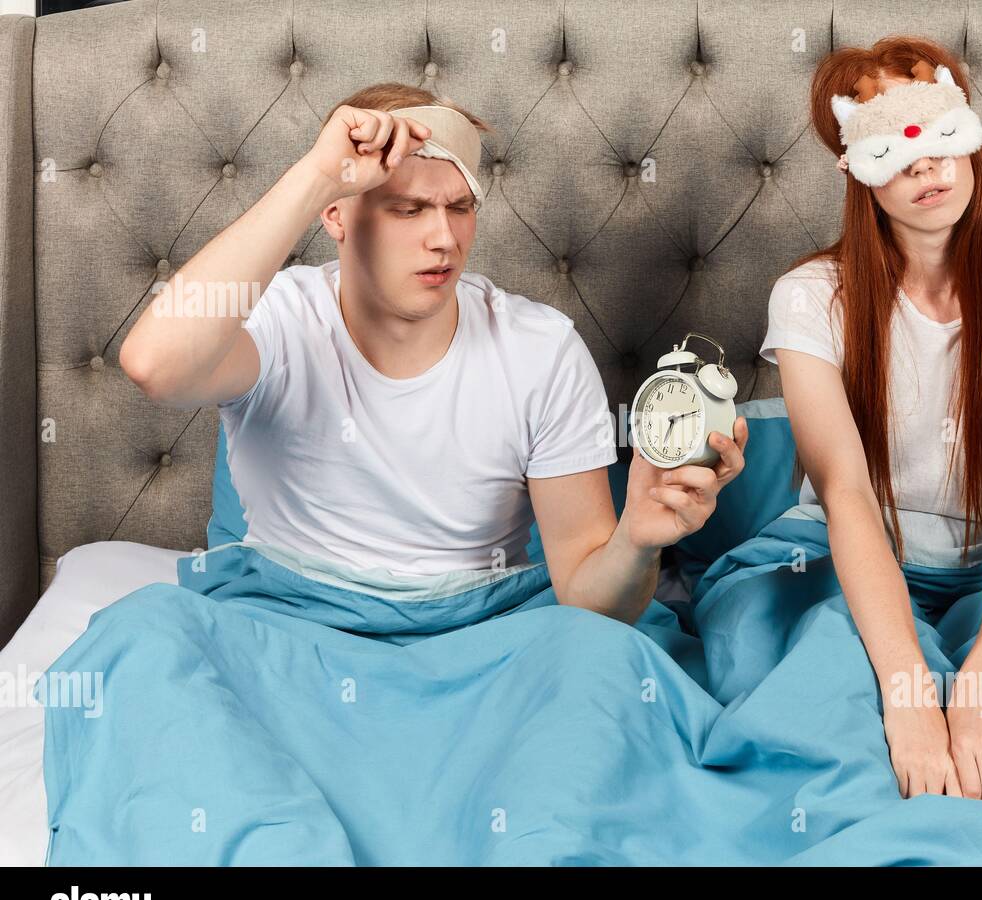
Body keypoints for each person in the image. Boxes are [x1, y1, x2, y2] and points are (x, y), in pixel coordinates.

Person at [120, 82, 747, 626]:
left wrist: (636, 538)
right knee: (148, 643)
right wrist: (318, 175)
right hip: (290, 623)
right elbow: (155, 364)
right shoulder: (279, 316)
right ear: (334, 215)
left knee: (604, 689)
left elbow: (588, 601)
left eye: (460, 207)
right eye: (409, 208)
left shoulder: (540, 348)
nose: (443, 238)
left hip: (481, 631)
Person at [762, 38, 982, 800]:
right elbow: (847, 491)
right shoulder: (808, 298)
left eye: (938, 131)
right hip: (842, 566)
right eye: (891, 140)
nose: (924, 164)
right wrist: (910, 695)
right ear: (854, 167)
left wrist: (979, 693)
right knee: (814, 711)